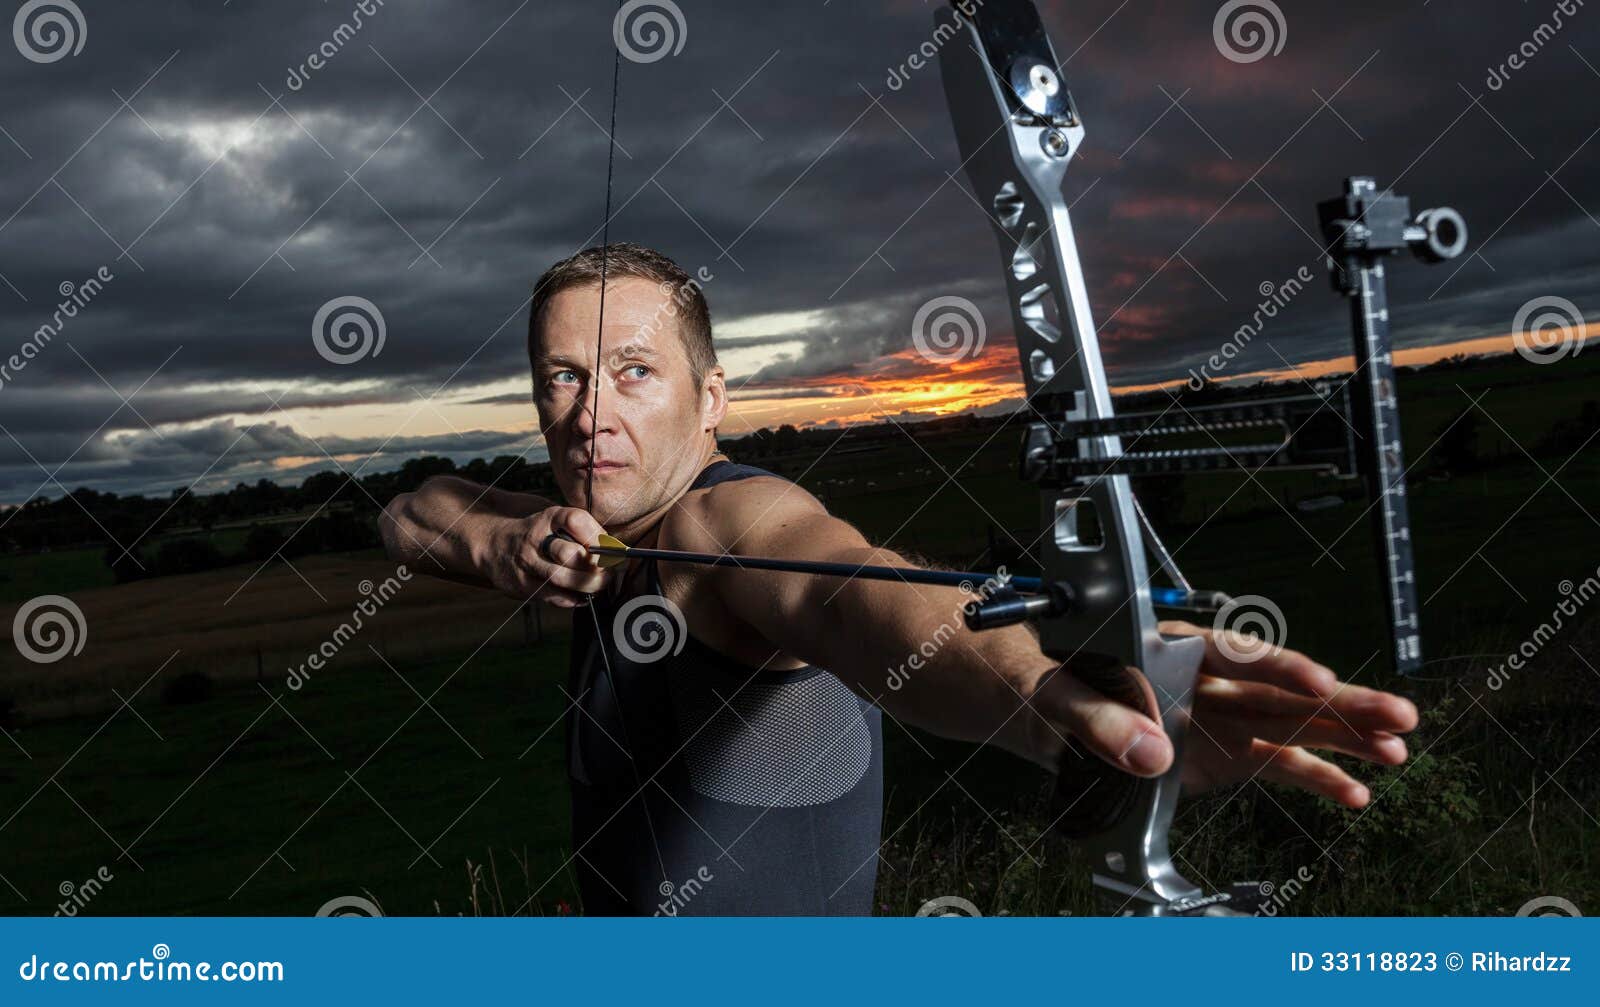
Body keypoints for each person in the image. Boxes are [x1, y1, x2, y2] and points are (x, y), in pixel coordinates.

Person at [380, 242, 1419, 916]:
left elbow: (847, 591)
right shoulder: (587, 532)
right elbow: (413, 509)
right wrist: (507, 541)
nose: (589, 413)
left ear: (711, 400)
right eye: (562, 377)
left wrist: (1042, 696)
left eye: (633, 372)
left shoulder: (722, 519)